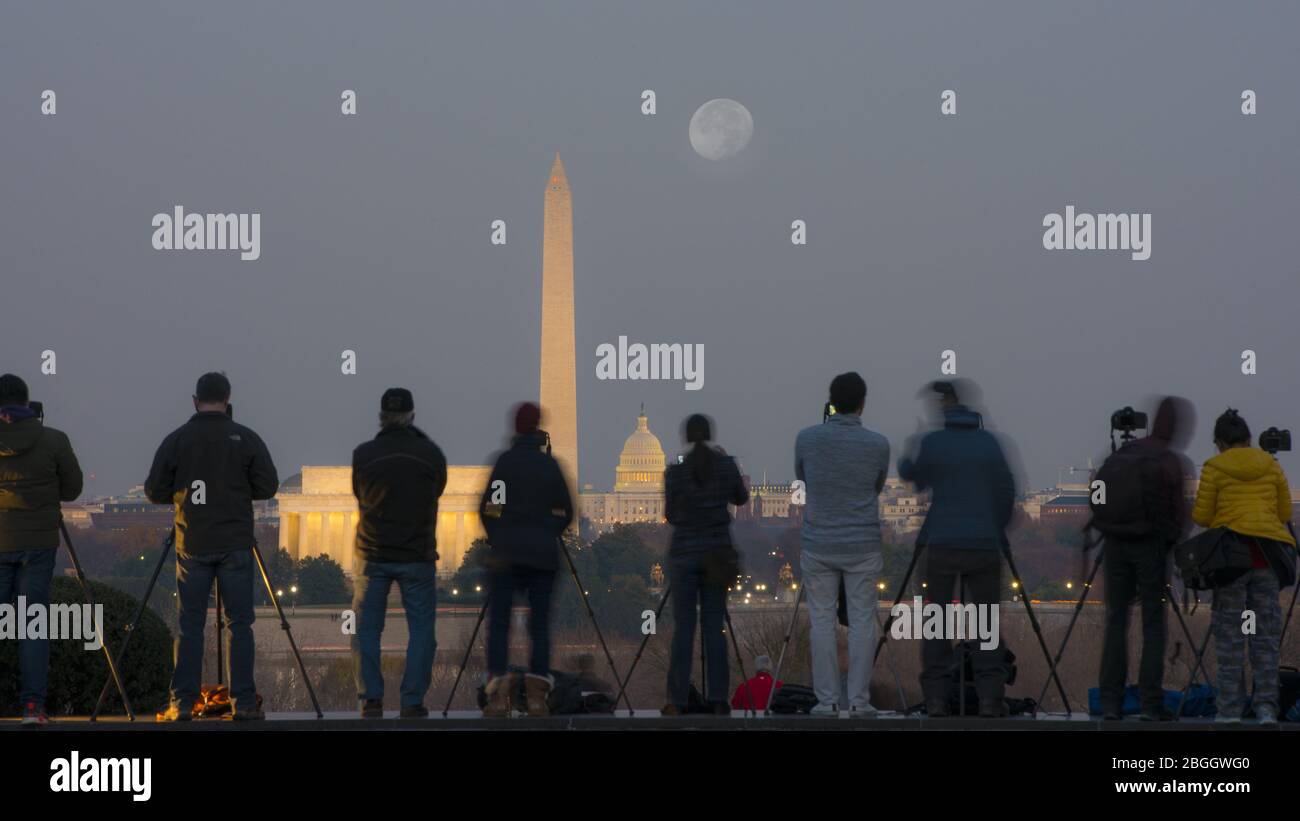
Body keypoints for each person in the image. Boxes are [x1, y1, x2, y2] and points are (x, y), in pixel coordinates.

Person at [146, 372, 278, 721]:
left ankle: (183, 703)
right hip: (235, 542)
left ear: (195, 400)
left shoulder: (178, 440)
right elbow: (267, 485)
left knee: (190, 625)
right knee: (240, 625)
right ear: (228, 399)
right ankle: (244, 703)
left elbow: (154, 490)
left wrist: (184, 492)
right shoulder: (245, 438)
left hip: (193, 542)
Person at [898, 380, 1015, 718]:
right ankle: (991, 698)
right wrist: (995, 526)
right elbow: (1007, 489)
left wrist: (909, 452)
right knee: (985, 624)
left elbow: (916, 480)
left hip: (942, 543)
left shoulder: (933, 442)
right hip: (984, 544)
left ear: (941, 408)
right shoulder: (990, 443)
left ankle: (935, 698)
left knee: (937, 623)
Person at [1092, 397, 1193, 722]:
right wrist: (1173, 543)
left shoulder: (1121, 454)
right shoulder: (1169, 461)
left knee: (1116, 622)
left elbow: (1097, 496)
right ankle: (1150, 702)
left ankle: (1110, 702)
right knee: (1153, 624)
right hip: (1149, 546)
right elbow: (1179, 515)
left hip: (1114, 544)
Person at [794, 373, 889, 716]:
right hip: (862, 542)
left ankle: (827, 701)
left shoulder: (806, 439)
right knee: (863, 622)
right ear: (863, 403)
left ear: (831, 402)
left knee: (821, 622)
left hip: (820, 541)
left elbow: (805, 478)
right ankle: (859, 701)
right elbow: (875, 487)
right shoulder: (879, 444)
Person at [1192, 408, 1295, 725]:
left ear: (1219, 442)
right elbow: (1284, 510)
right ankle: (1266, 708)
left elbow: (1202, 515)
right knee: (1265, 639)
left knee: (1229, 638)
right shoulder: (1270, 464)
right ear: (1249, 439)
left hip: (1230, 562)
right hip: (1267, 559)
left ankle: (1229, 710)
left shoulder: (1213, 467)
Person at [351, 388, 447, 718]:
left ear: (380, 417)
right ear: (412, 416)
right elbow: (438, 491)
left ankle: (371, 698)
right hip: (416, 554)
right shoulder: (430, 454)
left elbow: (359, 495)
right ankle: (412, 701)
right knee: (421, 631)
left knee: (366, 630)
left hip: (373, 552)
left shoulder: (364, 454)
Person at [478, 402, 572, 717]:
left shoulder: (504, 463)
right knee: (541, 626)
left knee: (500, 624)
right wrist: (548, 531)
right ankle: (536, 698)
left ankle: (497, 695)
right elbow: (566, 511)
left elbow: (489, 506)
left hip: (505, 555)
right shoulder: (550, 466)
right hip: (542, 557)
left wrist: (498, 533)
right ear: (538, 430)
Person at [0, 374, 83, 726]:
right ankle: (32, 707)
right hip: (38, 545)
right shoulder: (53, 440)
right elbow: (73, 489)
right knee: (33, 625)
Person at [663, 413, 748, 716]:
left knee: (683, 628)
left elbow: (671, 515)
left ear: (686, 436)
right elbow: (741, 498)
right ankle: (717, 698)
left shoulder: (674, 473)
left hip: (684, 554)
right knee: (714, 628)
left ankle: (677, 698)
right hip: (716, 554)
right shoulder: (725, 466)